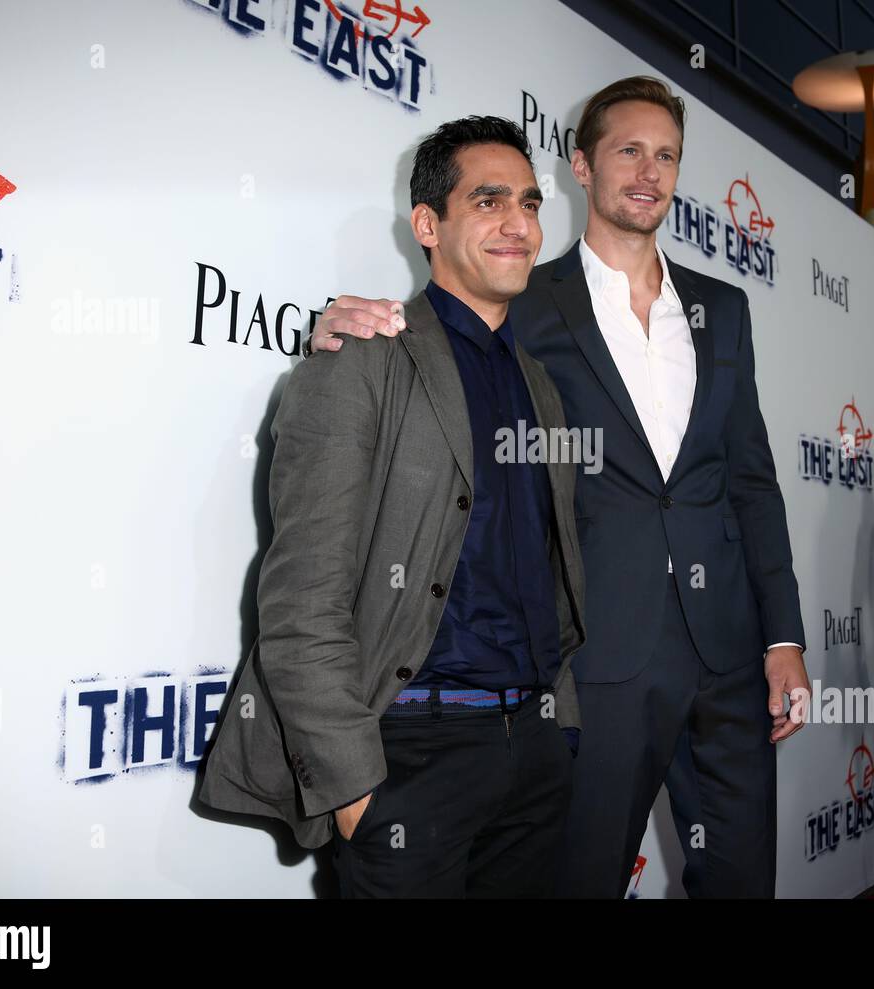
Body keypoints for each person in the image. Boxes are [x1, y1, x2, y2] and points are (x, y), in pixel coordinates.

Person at [306, 76, 808, 898]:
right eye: (629, 151)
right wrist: (332, 328)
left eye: (667, 155)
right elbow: (432, 358)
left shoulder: (727, 308)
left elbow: (752, 478)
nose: (649, 171)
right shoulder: (522, 292)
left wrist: (782, 637)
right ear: (583, 165)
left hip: (728, 656)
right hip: (597, 658)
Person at [200, 116, 587, 898]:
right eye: (488, 201)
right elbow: (300, 600)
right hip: (411, 757)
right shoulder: (361, 359)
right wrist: (355, 794)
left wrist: (560, 730)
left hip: (536, 757)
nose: (519, 223)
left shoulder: (543, 388)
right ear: (427, 225)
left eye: (530, 202)